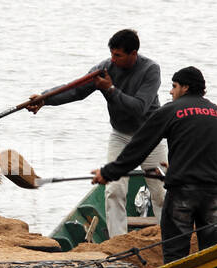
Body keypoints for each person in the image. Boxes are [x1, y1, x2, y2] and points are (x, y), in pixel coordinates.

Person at [27, 28, 166, 238]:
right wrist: (45, 99)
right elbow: (75, 90)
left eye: (118, 55)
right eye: (111, 53)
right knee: (114, 190)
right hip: (120, 134)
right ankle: (117, 242)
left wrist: (110, 90)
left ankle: (170, 237)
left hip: (150, 136)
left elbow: (139, 107)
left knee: (160, 191)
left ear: (133, 54)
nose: (112, 59)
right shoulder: (105, 67)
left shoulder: (150, 70)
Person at [91, 66, 217, 265]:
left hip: (182, 193)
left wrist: (109, 172)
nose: (171, 91)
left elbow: (139, 147)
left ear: (185, 87)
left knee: (175, 255)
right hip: (214, 193)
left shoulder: (172, 110)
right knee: (213, 254)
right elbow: (207, 152)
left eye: (174, 86)